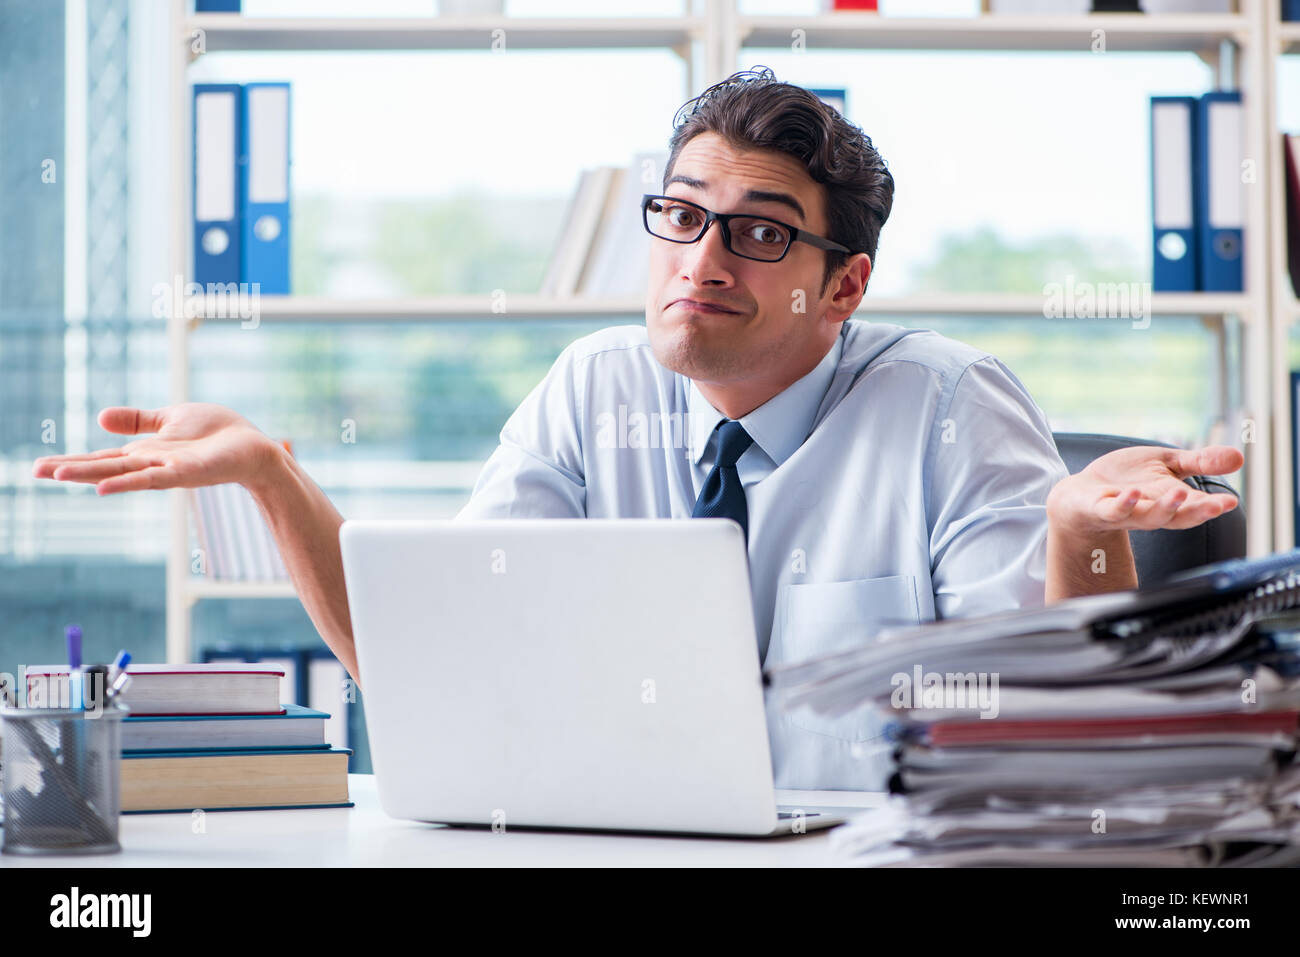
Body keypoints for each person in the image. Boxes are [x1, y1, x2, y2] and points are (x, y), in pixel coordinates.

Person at [32, 68, 1243, 788]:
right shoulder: (591, 387)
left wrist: (1081, 532)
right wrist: (270, 478)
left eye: (760, 232)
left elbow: (1054, 725)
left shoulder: (946, 404)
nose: (702, 260)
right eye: (680, 217)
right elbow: (432, 666)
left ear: (845, 285)